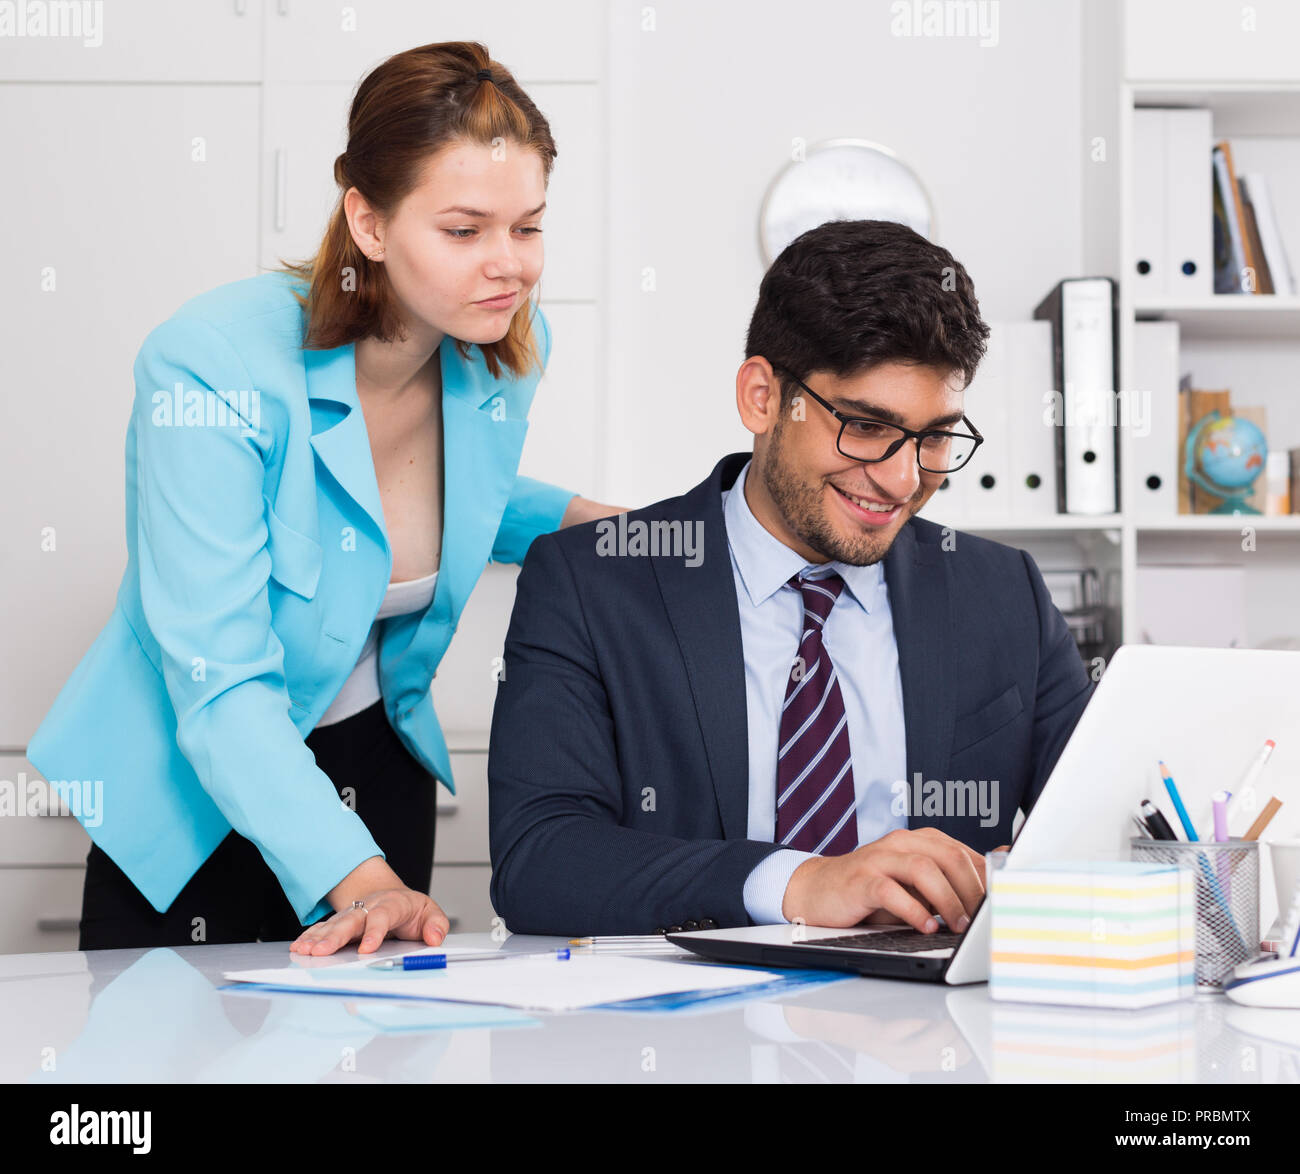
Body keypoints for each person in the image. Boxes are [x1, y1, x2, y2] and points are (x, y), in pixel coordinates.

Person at [27, 41, 620, 954]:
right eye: (464, 230)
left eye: (528, 226)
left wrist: (598, 527)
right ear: (370, 224)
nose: (511, 265)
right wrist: (364, 878)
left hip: (377, 765)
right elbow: (221, 683)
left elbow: (419, 502)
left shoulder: (500, 336)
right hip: (199, 787)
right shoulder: (211, 365)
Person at [488, 218, 1096, 937]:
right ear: (762, 398)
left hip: (934, 1035)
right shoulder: (591, 583)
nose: (904, 480)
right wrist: (798, 883)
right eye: (867, 426)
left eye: (935, 438)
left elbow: (1115, 816)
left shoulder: (1002, 592)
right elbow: (541, 860)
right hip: (691, 1037)